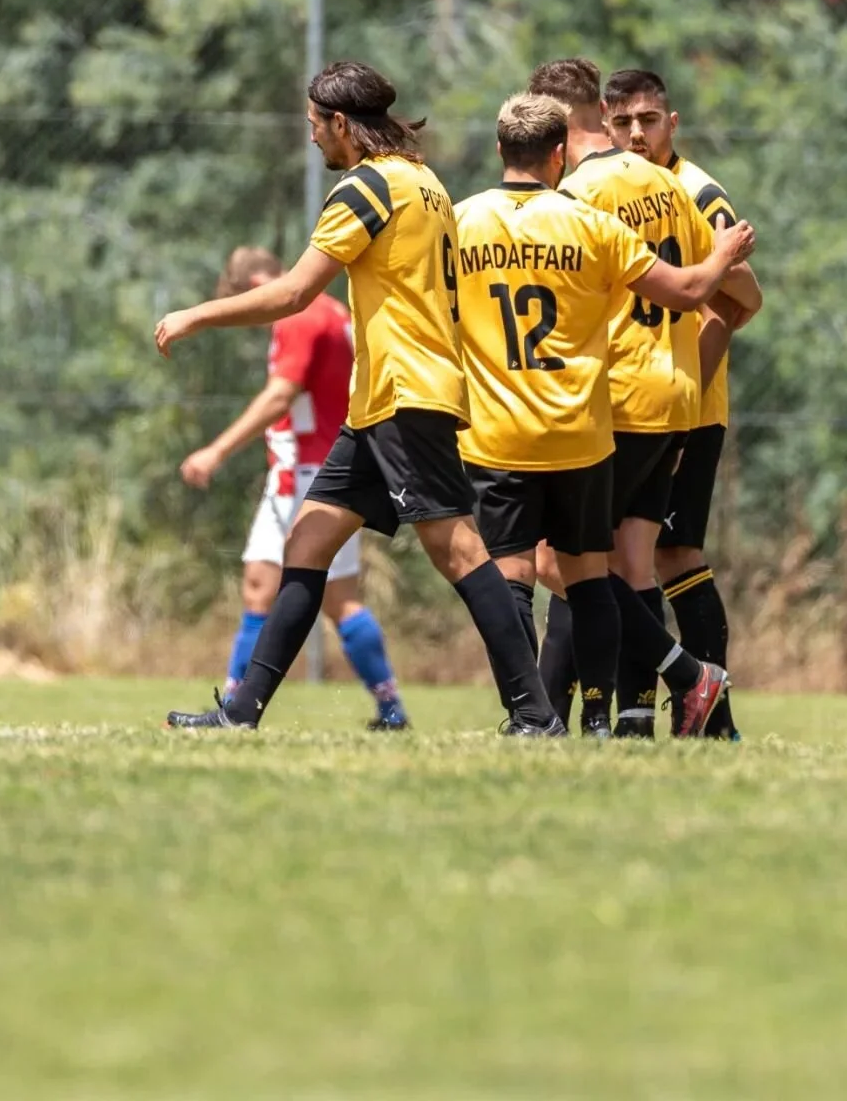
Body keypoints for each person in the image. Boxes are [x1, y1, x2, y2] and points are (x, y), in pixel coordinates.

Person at [156, 61, 563, 736]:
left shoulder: (366, 188)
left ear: (342, 123)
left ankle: (535, 711)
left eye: (316, 125)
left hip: (406, 394)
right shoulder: (425, 182)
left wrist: (198, 315)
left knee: (458, 549)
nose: (312, 137)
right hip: (384, 399)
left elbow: (293, 292)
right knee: (309, 540)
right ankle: (242, 711)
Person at [454, 93, 756, 736]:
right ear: (558, 150)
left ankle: (543, 713)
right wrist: (722, 257)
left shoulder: (466, 220)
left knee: (532, 568)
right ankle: (620, 720)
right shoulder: (634, 204)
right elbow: (698, 293)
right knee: (604, 569)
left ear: (500, 150)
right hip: (603, 419)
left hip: (524, 422)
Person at [177, 245, 409, 731]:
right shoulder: (332, 310)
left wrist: (216, 451)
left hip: (312, 473)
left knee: (339, 598)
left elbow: (281, 393)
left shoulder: (301, 317)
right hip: (299, 471)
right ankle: (236, 703)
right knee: (262, 588)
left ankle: (390, 710)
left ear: (257, 283)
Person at [604, 67, 763, 740]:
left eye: (648, 119)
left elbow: (743, 295)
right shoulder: (621, 187)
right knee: (634, 557)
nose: (636, 133)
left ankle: (713, 716)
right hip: (644, 404)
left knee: (674, 558)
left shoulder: (695, 192)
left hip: (684, 411)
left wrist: (685, 383)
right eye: (623, 122)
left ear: (673, 124)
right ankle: (642, 714)